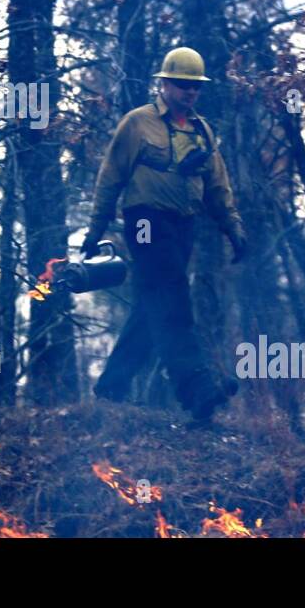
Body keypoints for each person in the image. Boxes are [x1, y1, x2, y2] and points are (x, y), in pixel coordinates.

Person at [82, 46, 247, 425]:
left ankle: (111, 387)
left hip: (182, 225)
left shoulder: (203, 132)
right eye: (182, 85)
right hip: (144, 222)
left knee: (150, 306)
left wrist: (233, 226)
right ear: (164, 85)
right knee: (172, 293)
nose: (190, 92)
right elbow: (110, 177)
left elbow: (218, 185)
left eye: (195, 87)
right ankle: (197, 388)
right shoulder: (137, 123)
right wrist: (95, 229)